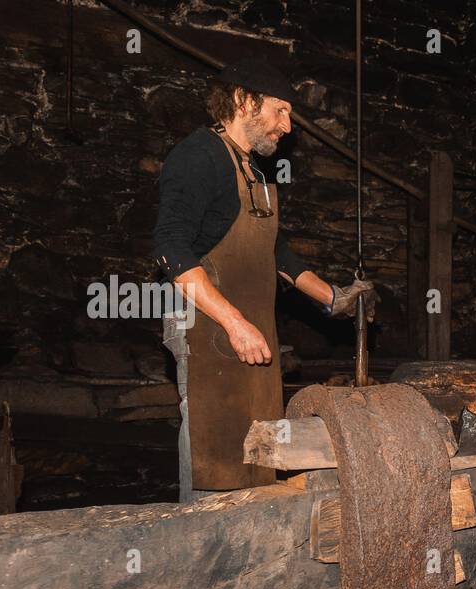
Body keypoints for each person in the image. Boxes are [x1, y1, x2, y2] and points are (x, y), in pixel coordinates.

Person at [153, 59, 375, 502]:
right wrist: (234, 323)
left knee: (255, 451)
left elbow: (276, 254)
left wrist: (333, 297)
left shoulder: (251, 170)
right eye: (280, 110)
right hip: (208, 328)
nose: (287, 126)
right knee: (213, 452)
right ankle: (197, 541)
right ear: (243, 100)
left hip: (247, 329)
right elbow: (170, 249)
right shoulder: (199, 156)